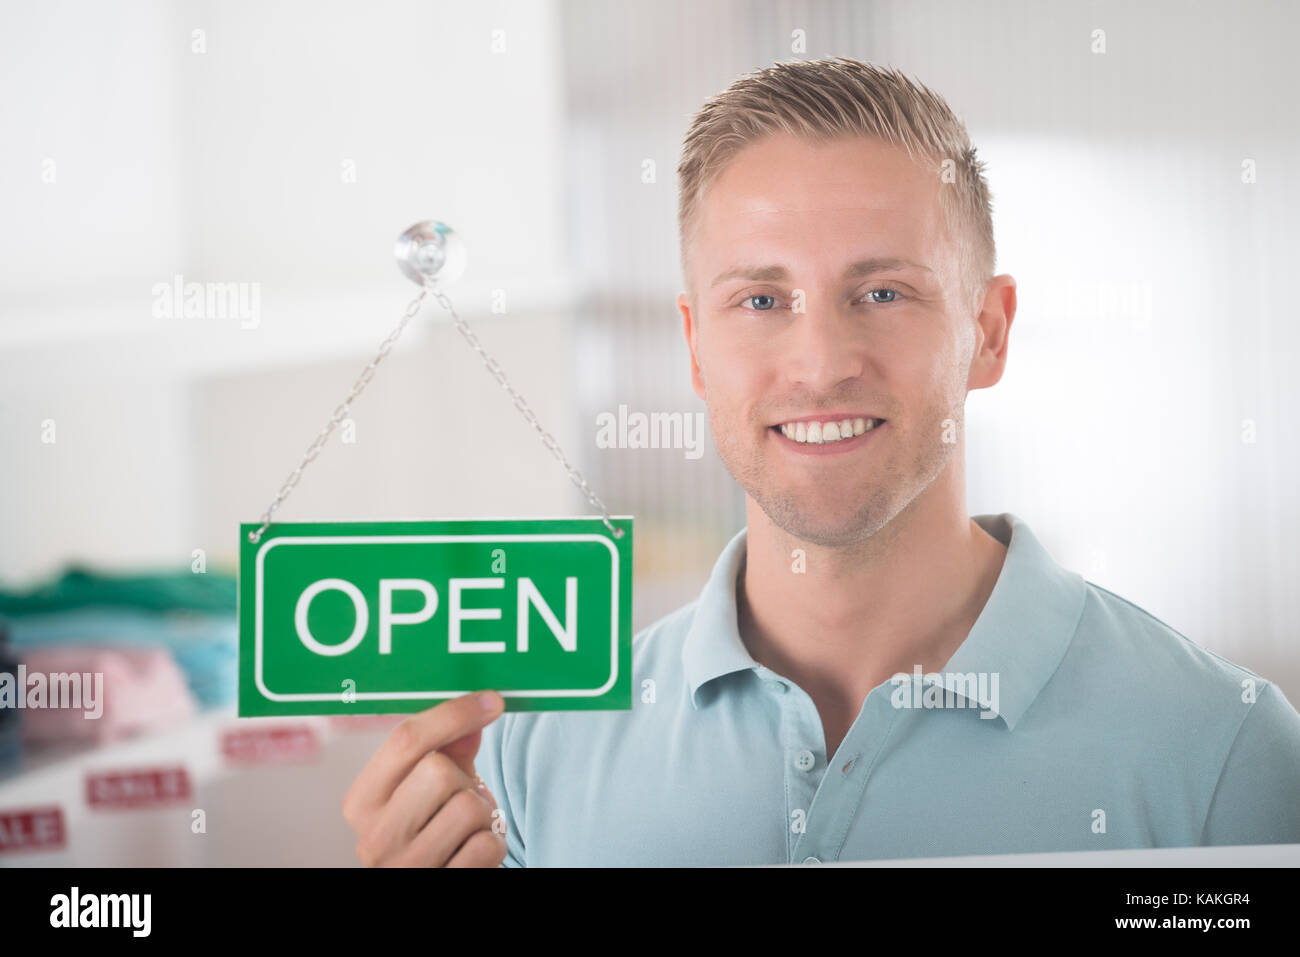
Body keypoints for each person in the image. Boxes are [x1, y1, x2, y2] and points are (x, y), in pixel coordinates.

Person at [342, 56, 1300, 867]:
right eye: (761, 300)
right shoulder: (524, 758)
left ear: (989, 331)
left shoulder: (1226, 754)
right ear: (694, 348)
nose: (820, 364)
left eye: (881, 292)